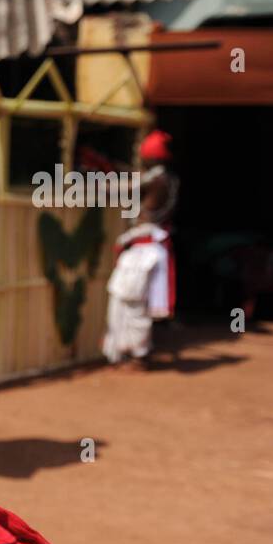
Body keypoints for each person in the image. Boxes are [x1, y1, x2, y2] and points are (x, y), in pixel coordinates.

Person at [102, 129, 178, 366]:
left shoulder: (156, 180)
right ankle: (132, 352)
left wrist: (87, 184)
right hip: (146, 248)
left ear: (151, 156)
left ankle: (137, 354)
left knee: (132, 302)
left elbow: (123, 188)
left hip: (144, 251)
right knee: (130, 302)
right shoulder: (164, 178)